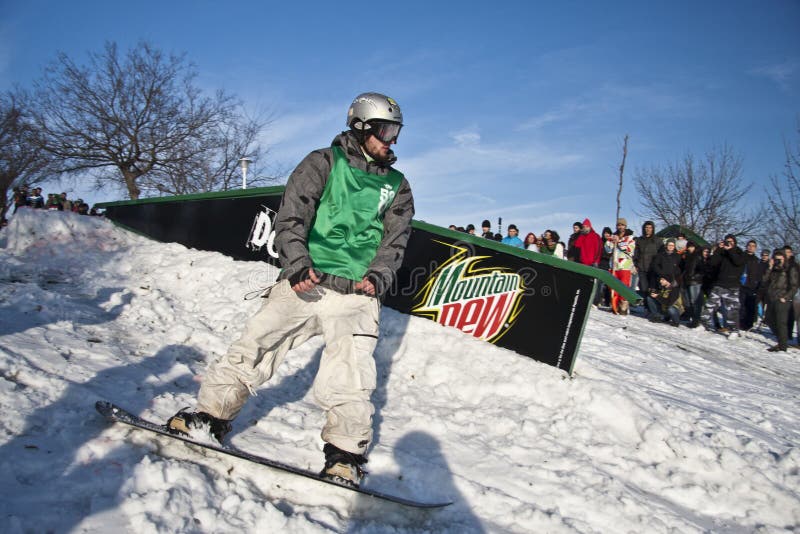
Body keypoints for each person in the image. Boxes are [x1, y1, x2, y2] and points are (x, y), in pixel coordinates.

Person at [165, 92, 414, 487]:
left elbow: (395, 241)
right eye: (386, 130)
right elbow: (292, 216)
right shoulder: (322, 163)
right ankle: (211, 416)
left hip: (355, 294)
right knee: (255, 346)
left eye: (396, 131)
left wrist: (379, 275)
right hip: (306, 282)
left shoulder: (397, 186)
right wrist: (297, 264)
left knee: (350, 374)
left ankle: (345, 456)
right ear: (362, 127)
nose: (392, 140)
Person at [701, 234, 746, 336]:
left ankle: (734, 330)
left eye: (731, 241)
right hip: (719, 283)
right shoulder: (722, 252)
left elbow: (738, 262)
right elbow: (712, 263)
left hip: (732, 285)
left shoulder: (739, 252)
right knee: (709, 305)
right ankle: (704, 324)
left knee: (732, 310)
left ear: (734, 243)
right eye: (727, 241)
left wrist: (730, 250)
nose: (728, 243)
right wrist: (718, 250)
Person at [763, 249, 799, 351]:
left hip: (782, 298)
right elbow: (764, 280)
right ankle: (781, 339)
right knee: (769, 320)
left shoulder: (790, 269)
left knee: (781, 322)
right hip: (771, 298)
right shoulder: (773, 269)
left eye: (780, 259)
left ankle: (782, 346)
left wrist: (786, 297)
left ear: (784, 258)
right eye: (776, 259)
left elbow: (794, 286)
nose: (778, 261)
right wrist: (769, 267)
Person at [605, 218, 636, 314]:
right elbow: (607, 249)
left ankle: (623, 307)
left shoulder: (630, 238)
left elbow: (629, 249)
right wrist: (611, 241)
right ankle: (615, 306)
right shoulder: (614, 236)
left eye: (622, 225)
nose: (620, 227)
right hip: (614, 265)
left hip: (625, 266)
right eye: (619, 225)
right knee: (613, 287)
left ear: (625, 226)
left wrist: (618, 242)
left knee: (623, 287)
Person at [739, 240, 763, 330]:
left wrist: (758, 286)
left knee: (750, 307)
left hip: (752, 286)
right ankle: (740, 324)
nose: (751, 247)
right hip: (741, 284)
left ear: (755, 248)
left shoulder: (756, 260)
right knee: (741, 306)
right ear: (746, 246)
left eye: (753, 246)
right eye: (749, 245)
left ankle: (748, 325)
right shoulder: (741, 256)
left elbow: (759, 274)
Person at [633, 221, 660, 298]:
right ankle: (645, 306)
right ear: (644, 228)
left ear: (653, 229)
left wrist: (658, 265)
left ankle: (651, 307)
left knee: (652, 289)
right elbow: (636, 253)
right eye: (646, 227)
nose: (648, 229)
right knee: (643, 288)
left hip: (653, 268)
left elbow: (661, 254)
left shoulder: (657, 240)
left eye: (650, 228)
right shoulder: (639, 240)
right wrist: (636, 264)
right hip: (642, 268)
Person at [681, 241, 704, 327]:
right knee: (688, 300)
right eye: (689, 247)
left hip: (695, 282)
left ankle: (696, 320)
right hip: (687, 280)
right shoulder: (688, 256)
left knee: (695, 301)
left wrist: (694, 277)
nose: (690, 248)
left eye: (691, 247)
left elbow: (701, 269)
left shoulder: (698, 256)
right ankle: (690, 317)